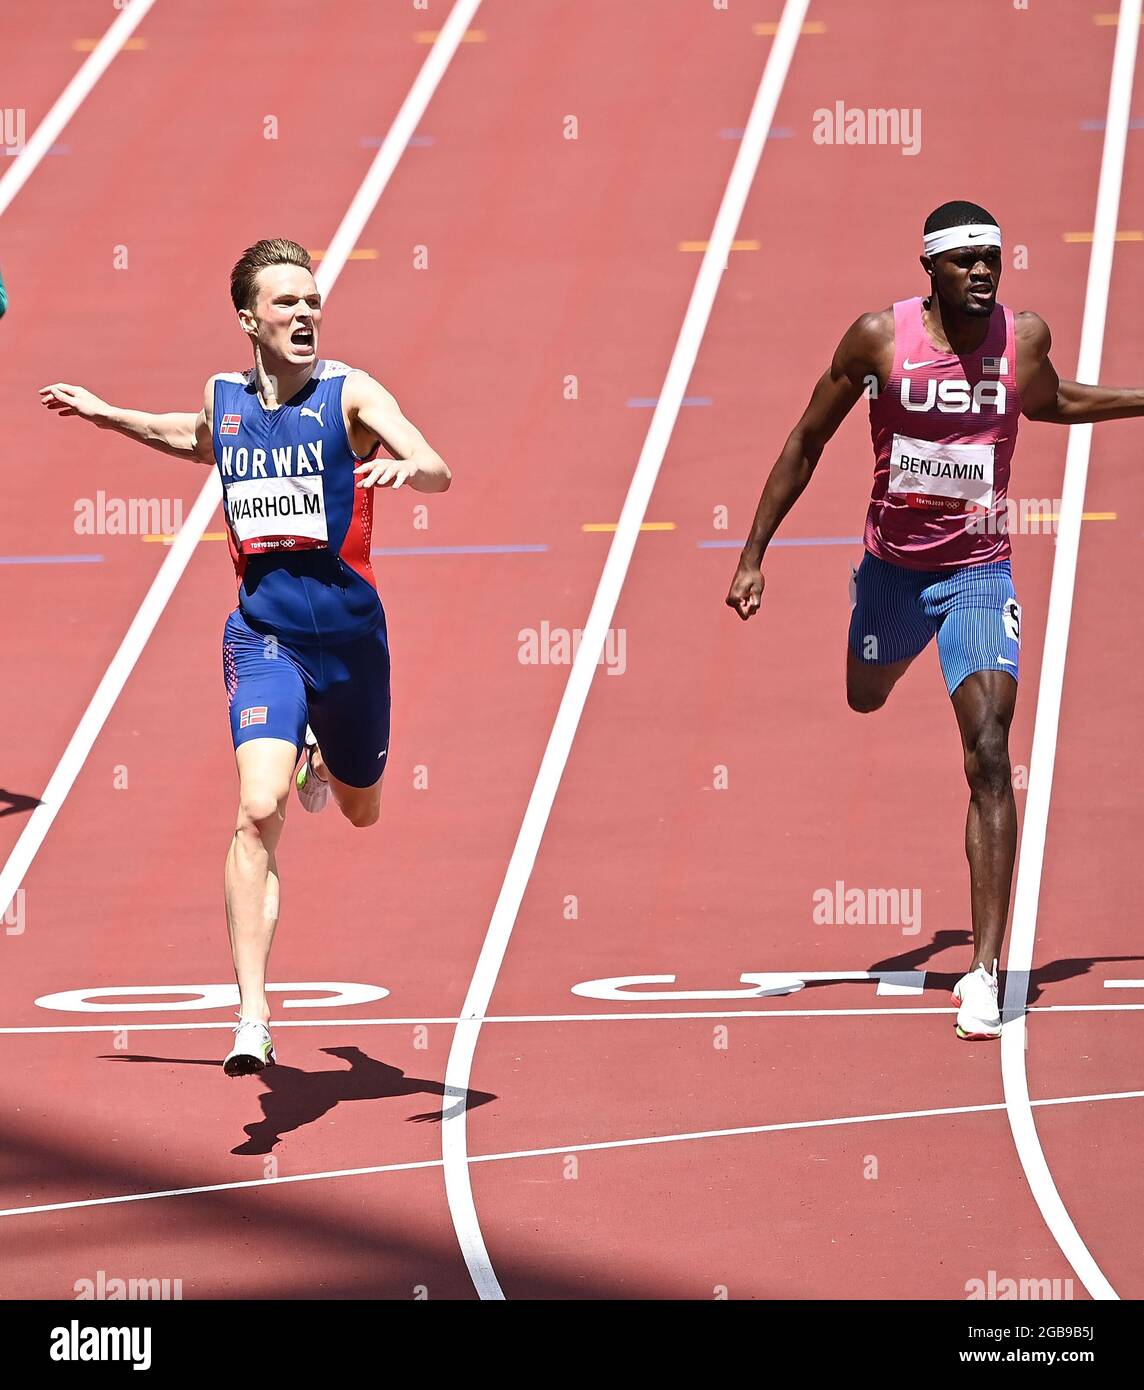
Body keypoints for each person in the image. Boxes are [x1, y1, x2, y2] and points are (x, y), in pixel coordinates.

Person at [725, 199, 1143, 1039]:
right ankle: (891, 633)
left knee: (990, 749)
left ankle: (985, 974)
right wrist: (752, 553)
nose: (984, 271)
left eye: (993, 256)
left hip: (979, 572)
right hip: (890, 574)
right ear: (931, 271)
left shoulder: (1021, 339)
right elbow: (807, 440)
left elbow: (1051, 399)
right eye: (965, 260)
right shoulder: (880, 341)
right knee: (865, 695)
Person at [41, 238, 450, 1074]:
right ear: (247, 319)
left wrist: (412, 470)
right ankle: (253, 1016)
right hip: (262, 635)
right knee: (256, 809)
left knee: (361, 811)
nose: (305, 314)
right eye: (286, 303)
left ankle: (323, 761)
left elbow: (438, 466)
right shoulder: (224, 399)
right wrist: (104, 412)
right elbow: (194, 441)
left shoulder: (351, 394)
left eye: (312, 301)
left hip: (350, 643)